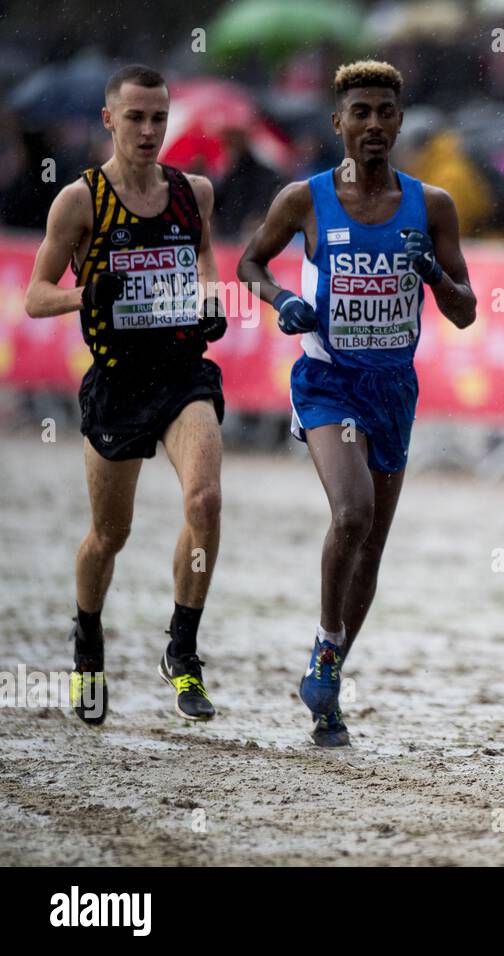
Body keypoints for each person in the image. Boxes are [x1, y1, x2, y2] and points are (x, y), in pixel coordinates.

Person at [237, 60, 476, 747]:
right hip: (328, 382)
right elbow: (249, 263)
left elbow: (464, 313)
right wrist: (283, 301)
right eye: (360, 113)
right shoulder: (303, 199)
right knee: (352, 513)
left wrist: (433, 275)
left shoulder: (432, 206)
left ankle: (328, 680)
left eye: (385, 113)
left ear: (399, 123)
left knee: (371, 549)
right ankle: (324, 645)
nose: (373, 124)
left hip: (393, 391)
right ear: (338, 123)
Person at [24, 64, 227, 724]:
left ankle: (183, 652)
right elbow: (33, 297)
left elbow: (206, 267)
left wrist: (211, 304)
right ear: (109, 120)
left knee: (205, 497)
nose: (148, 130)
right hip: (116, 382)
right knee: (110, 535)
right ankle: (87, 647)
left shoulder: (192, 192)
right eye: (135, 117)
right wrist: (89, 293)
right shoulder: (79, 201)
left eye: (159, 118)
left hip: (181, 374)